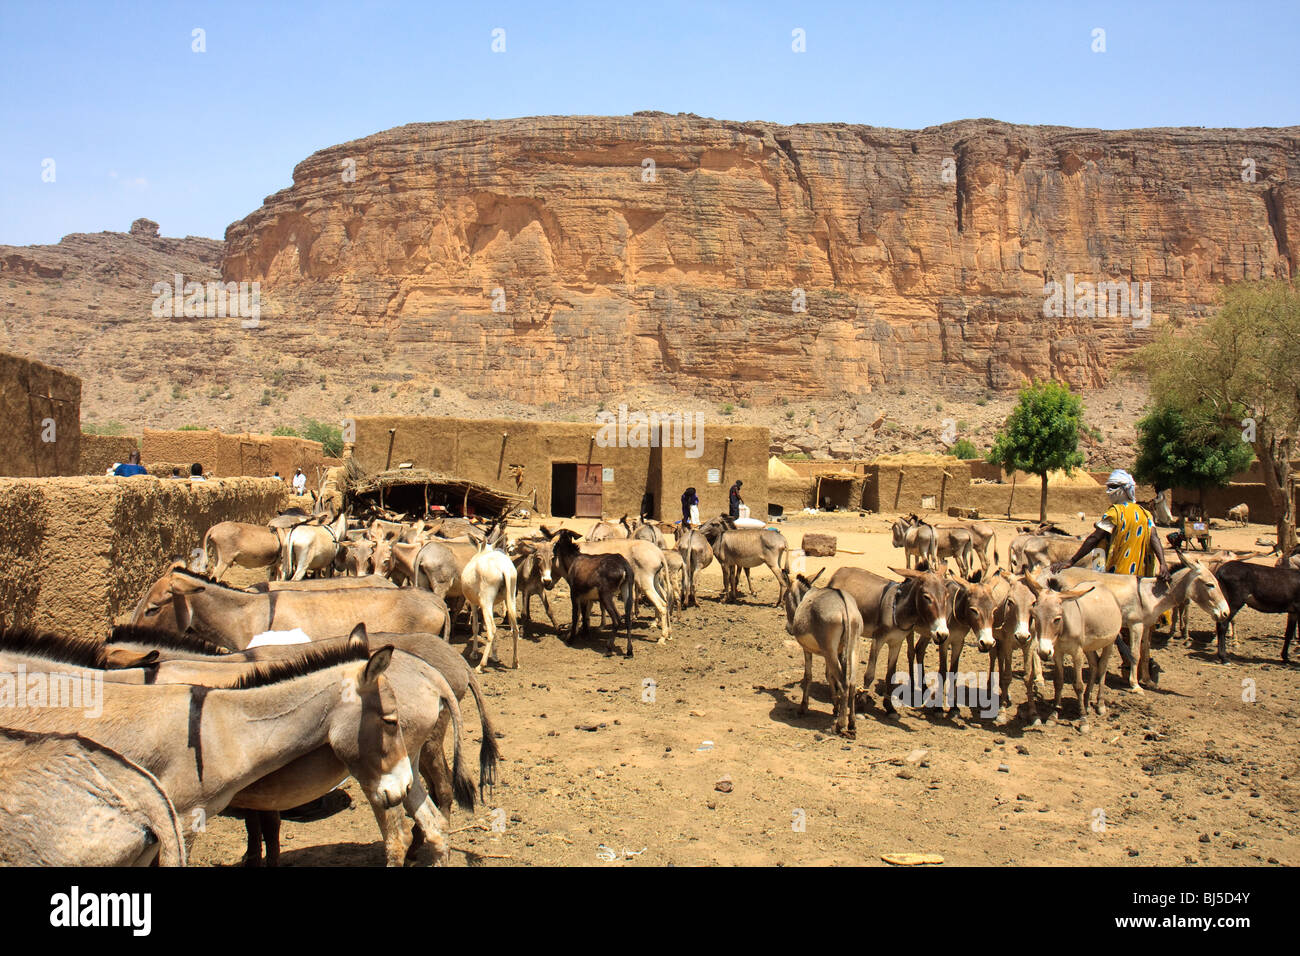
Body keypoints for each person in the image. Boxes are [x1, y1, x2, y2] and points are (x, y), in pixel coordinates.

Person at [1051, 468, 1170, 681]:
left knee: (1118, 619)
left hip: (1120, 575)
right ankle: (1139, 667)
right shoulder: (1145, 513)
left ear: (1125, 489)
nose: (1109, 491)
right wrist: (1163, 563)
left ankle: (1128, 665)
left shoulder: (1114, 513)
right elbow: (1155, 539)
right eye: (1108, 487)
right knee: (1141, 626)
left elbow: (1094, 538)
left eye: (1113, 487)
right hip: (1142, 577)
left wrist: (1071, 561)